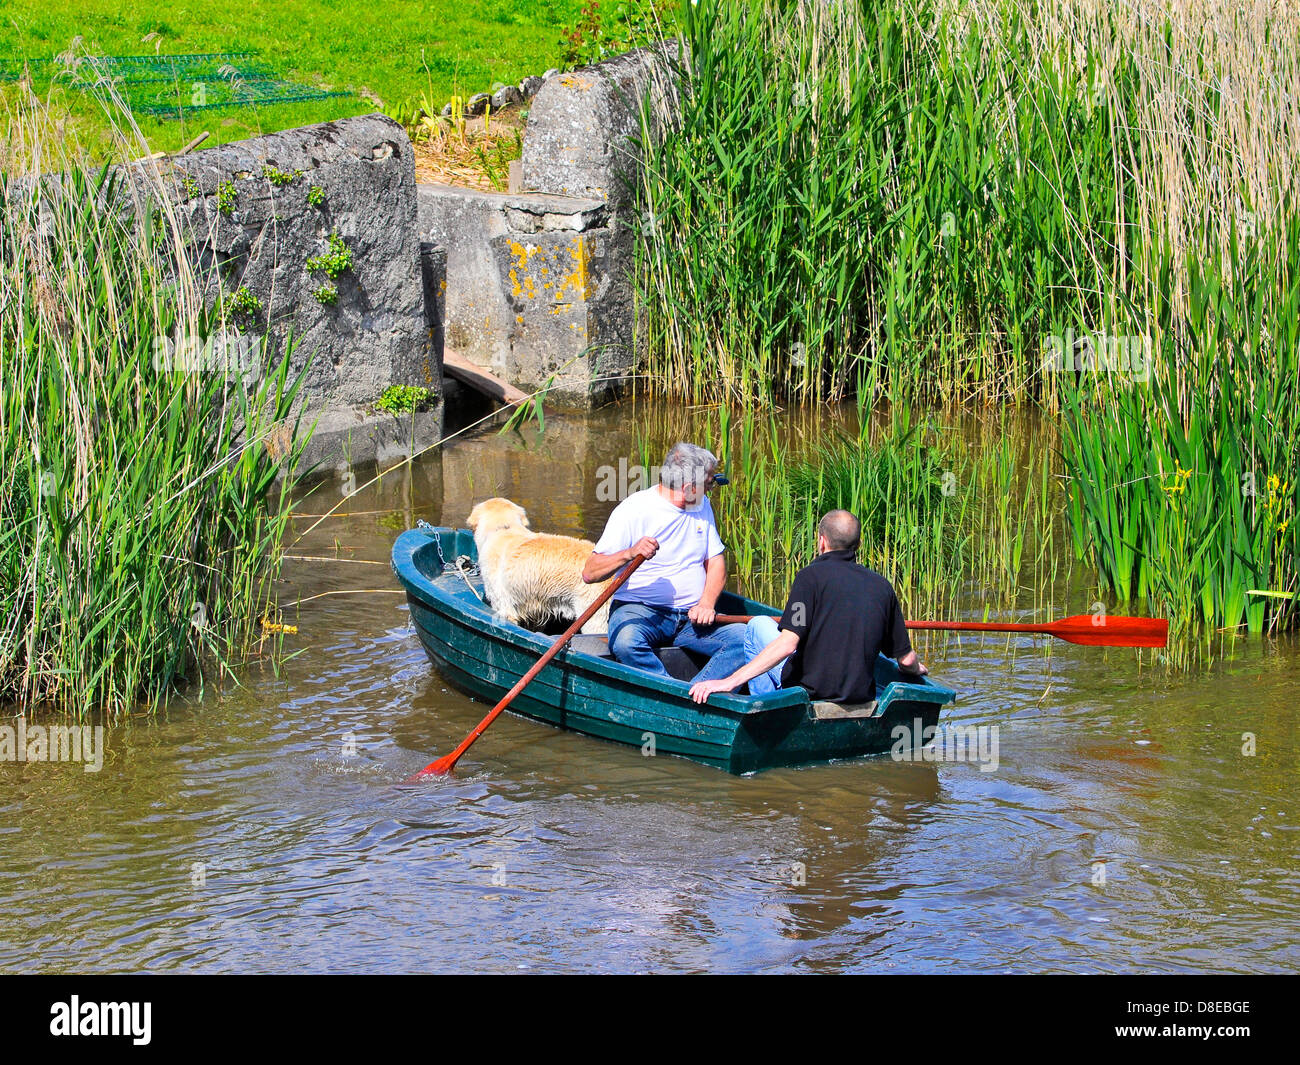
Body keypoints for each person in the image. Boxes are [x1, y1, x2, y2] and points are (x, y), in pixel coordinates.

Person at [688, 509, 927, 704]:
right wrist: (917, 669)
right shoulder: (882, 586)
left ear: (821, 541)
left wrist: (729, 681)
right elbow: (906, 661)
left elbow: (788, 642)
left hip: (809, 692)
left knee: (757, 624)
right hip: (858, 695)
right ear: (859, 544)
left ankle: (765, 710)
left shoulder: (809, 578)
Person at [582, 442, 748, 683]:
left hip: (692, 617)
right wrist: (629, 552)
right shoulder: (634, 510)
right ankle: (671, 691)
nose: (712, 489)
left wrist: (706, 603)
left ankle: (696, 692)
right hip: (641, 611)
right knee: (627, 644)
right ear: (689, 488)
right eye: (710, 483)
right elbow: (590, 573)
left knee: (746, 642)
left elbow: (716, 563)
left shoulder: (701, 505)